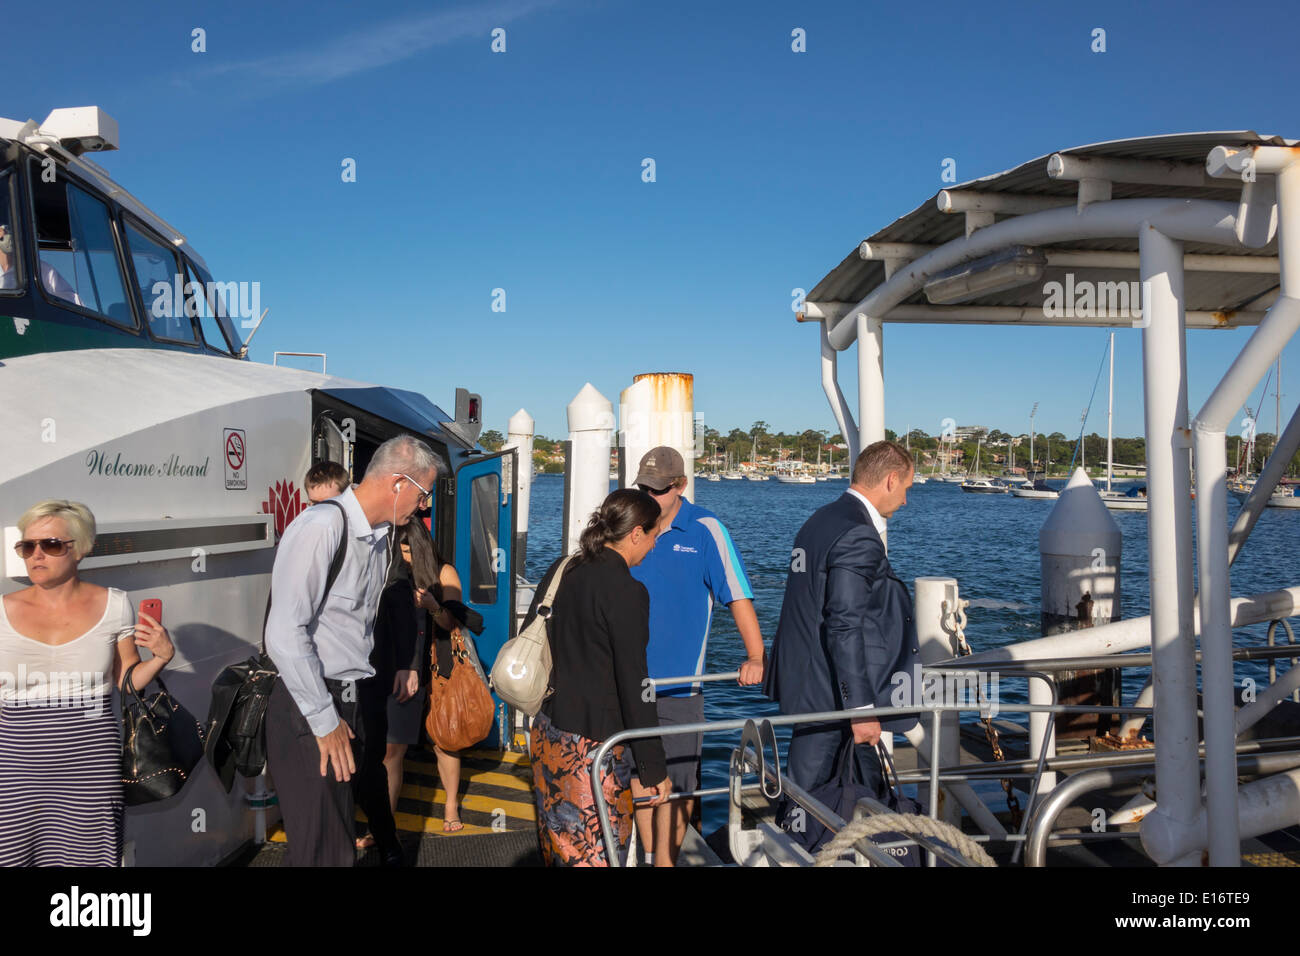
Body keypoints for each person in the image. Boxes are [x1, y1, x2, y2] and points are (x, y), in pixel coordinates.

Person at [264, 434, 439, 867]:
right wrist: (325, 722)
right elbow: (284, 633)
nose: (424, 507)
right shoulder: (322, 527)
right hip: (311, 704)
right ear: (399, 483)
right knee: (321, 850)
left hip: (351, 698)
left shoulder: (380, 539)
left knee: (336, 844)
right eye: (423, 495)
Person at [0, 500, 174, 866]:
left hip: (89, 766)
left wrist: (160, 657)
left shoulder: (114, 605)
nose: (35, 555)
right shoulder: (3, 609)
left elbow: (127, 682)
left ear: (79, 549)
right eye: (26, 546)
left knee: (87, 863)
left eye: (49, 545)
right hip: (14, 768)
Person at [626, 445, 765, 867]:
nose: (649, 498)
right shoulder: (630, 527)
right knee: (640, 779)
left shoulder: (706, 529)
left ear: (680, 485)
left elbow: (736, 594)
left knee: (677, 783)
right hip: (630, 684)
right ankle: (653, 856)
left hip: (681, 689)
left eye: (659, 490)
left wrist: (756, 655)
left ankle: (664, 859)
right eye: (643, 488)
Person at [764, 440, 920, 801]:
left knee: (821, 792)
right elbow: (844, 622)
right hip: (831, 697)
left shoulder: (820, 520)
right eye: (907, 489)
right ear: (891, 479)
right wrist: (862, 708)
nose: (905, 501)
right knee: (812, 800)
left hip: (807, 684)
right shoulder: (859, 534)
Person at [528, 489, 672, 866]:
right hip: (594, 748)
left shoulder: (564, 569)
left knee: (559, 847)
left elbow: (534, 634)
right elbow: (634, 682)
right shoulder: (627, 590)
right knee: (598, 851)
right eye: (655, 536)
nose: (654, 546)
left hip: (549, 733)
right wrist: (653, 767)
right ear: (636, 533)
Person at [411, 533, 471, 832]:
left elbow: (453, 621)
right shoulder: (389, 568)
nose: (403, 555)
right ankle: (382, 815)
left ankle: (450, 806)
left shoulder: (444, 572)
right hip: (402, 659)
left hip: (438, 657)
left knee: (443, 738)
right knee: (391, 745)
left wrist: (432, 605)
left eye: (406, 548)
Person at [0, 222, 83, 305]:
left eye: (8, 229)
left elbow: (74, 304)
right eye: (5, 229)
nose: (7, 233)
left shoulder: (39, 270)